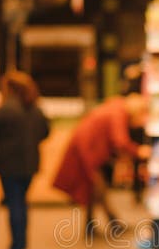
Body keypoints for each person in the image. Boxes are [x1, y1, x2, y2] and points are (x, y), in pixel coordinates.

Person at [52, 92, 150, 236]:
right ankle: (112, 223)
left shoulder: (116, 108)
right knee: (97, 186)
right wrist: (138, 151)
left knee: (93, 187)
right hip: (88, 150)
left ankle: (95, 225)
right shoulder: (119, 113)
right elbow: (120, 141)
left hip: (86, 147)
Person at [0, 71, 49, 249]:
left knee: (15, 204)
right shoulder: (35, 109)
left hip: (9, 164)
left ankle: (17, 248)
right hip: (30, 164)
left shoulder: (5, 109)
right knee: (21, 202)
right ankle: (21, 245)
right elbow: (46, 132)